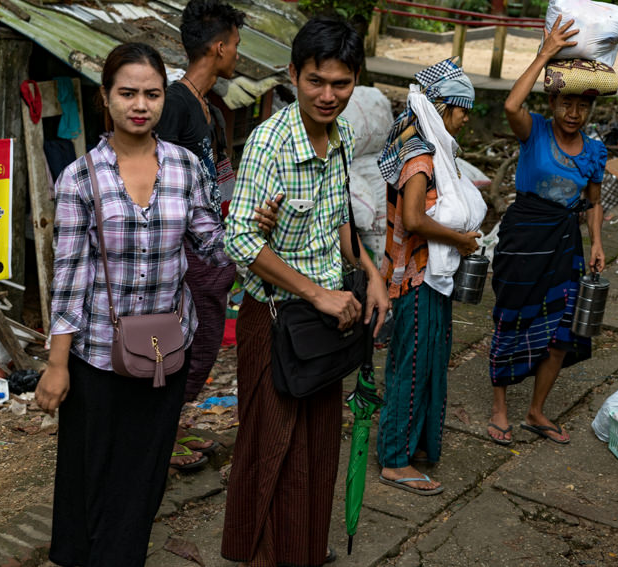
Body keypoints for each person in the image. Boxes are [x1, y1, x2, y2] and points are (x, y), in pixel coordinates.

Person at [34, 43, 230, 566]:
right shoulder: (81, 178)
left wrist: (254, 227)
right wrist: (57, 364)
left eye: (152, 94)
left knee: (143, 475)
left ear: (164, 97)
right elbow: (69, 278)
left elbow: (211, 244)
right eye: (127, 93)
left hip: (165, 350)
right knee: (89, 472)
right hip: (97, 354)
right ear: (105, 97)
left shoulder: (185, 167)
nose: (140, 105)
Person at [221, 17, 390, 567]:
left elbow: (338, 219)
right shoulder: (269, 143)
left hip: (324, 327)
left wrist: (372, 274)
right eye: (316, 81)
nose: (327, 95)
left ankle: (305, 550)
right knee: (273, 451)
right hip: (276, 322)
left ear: (356, 81)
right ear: (293, 74)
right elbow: (240, 238)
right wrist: (317, 293)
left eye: (341, 83)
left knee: (316, 449)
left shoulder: (341, 138)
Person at [156, 0, 281, 471]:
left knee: (202, 344)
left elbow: (219, 184)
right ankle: (158, 434)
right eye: (236, 45)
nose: (238, 54)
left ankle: (170, 424)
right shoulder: (174, 106)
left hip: (210, 251)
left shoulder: (210, 109)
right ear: (219, 47)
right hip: (180, 254)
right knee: (179, 345)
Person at [487, 16, 606, 446]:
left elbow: (593, 202)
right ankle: (500, 408)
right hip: (523, 238)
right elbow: (510, 106)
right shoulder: (534, 130)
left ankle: (536, 411)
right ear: (552, 101)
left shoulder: (594, 151)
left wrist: (596, 243)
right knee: (511, 318)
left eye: (582, 107)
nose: (573, 114)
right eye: (566, 104)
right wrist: (546, 53)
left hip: (564, 244)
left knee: (561, 332)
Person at [376, 58, 484, 495]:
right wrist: (460, 239)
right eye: (462, 111)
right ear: (442, 107)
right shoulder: (420, 154)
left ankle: (416, 443)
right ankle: (394, 459)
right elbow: (414, 218)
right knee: (412, 366)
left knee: (429, 362)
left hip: (427, 276)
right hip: (415, 276)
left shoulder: (423, 143)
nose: (465, 120)